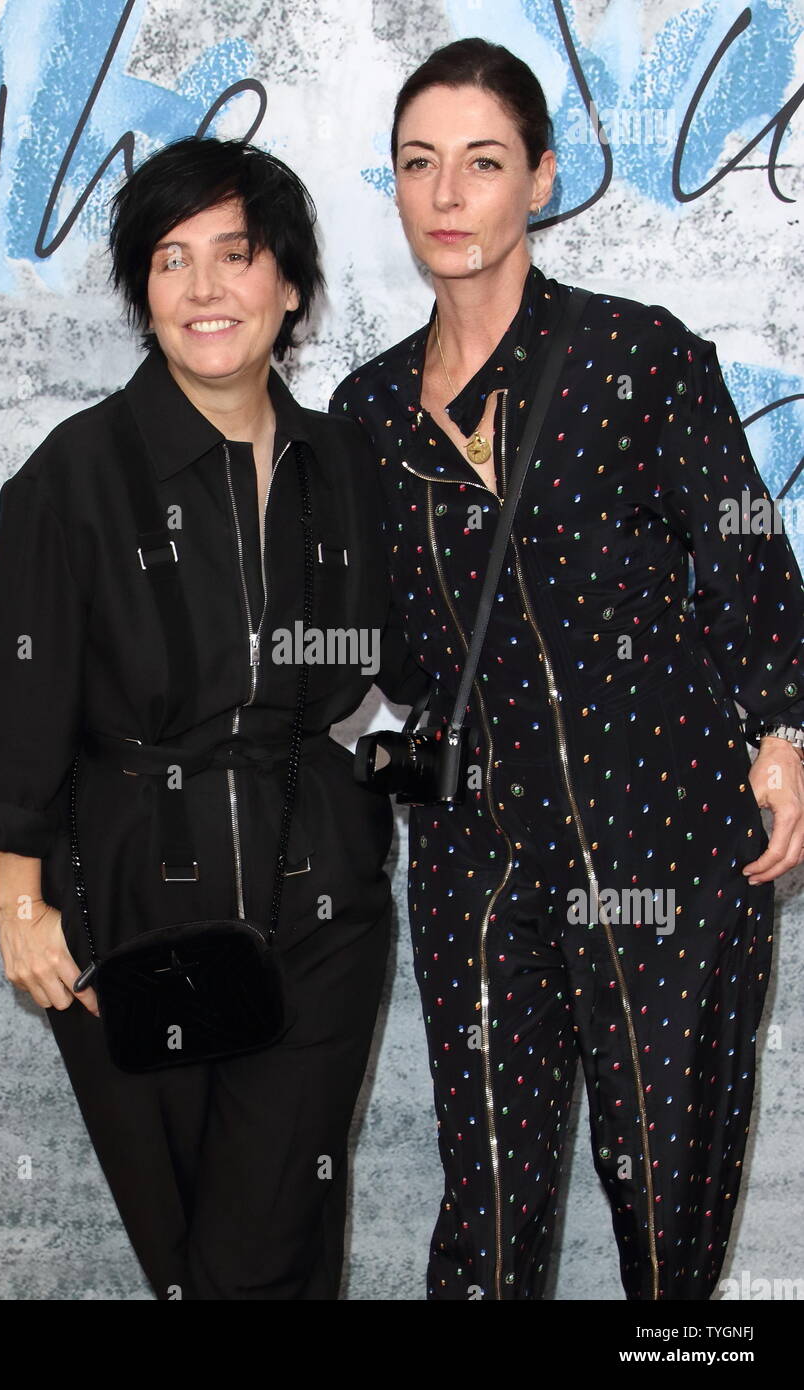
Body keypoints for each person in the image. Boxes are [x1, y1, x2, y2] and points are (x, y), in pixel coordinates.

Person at [329, 37, 804, 1301]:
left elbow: (744, 549)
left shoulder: (635, 357)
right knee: (487, 1198)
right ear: (392, 187)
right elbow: (358, 648)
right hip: (476, 852)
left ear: (538, 179)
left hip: (663, 835)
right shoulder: (364, 414)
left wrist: (780, 731)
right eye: (418, 164)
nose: (446, 194)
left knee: (666, 1189)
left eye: (480, 163)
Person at [0, 135, 425, 1300]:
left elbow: (400, 662)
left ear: (288, 285)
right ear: (142, 292)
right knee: (191, 1258)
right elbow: (26, 711)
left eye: (238, 253)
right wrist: (19, 902)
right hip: (125, 915)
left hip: (319, 902)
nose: (207, 289)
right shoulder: (69, 479)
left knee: (259, 1242)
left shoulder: (348, 463)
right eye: (173, 261)